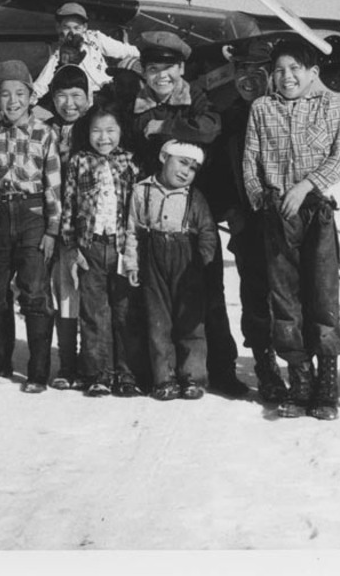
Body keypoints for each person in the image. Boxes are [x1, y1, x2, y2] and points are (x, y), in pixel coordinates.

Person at [128, 30, 245, 397]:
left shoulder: (195, 97)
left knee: (208, 291)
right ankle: (155, 372)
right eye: (152, 69)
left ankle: (220, 370)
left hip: (196, 209)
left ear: (181, 68)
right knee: (154, 300)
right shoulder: (135, 103)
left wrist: (165, 127)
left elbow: (209, 128)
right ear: (143, 72)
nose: (161, 76)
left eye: (168, 68)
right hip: (153, 210)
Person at [243, 35, 340, 420]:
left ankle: (326, 386)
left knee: (321, 297)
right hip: (277, 218)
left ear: (313, 73)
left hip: (316, 213)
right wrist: (265, 203)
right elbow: (250, 164)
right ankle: (300, 382)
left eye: (295, 69)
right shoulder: (261, 109)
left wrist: (306, 186)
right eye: (279, 70)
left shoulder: (328, 106)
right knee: (285, 302)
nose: (286, 77)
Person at [209, 38, 289, 404]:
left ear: (271, 74)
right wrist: (234, 215)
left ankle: (301, 368)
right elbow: (219, 176)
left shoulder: (291, 113)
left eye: (255, 71)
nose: (246, 79)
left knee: (294, 296)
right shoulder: (229, 119)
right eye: (240, 71)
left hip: (289, 223)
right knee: (256, 298)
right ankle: (266, 366)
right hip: (250, 225)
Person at [0, 60, 63, 393]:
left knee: (35, 293)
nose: (12, 101)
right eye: (4, 95)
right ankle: (0, 361)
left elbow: (53, 184)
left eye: (19, 94)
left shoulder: (46, 133)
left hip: (33, 215)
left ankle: (38, 370)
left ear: (31, 96)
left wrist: (52, 229)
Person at [61, 103, 142, 397]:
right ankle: (98, 373)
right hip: (90, 246)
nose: (103, 137)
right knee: (94, 313)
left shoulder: (130, 162)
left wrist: (136, 250)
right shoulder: (79, 161)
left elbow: (137, 208)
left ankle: (127, 373)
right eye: (97, 131)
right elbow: (68, 206)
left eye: (110, 130)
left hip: (121, 247)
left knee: (125, 312)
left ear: (121, 131)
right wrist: (72, 247)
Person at [132, 140, 219, 400]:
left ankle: (193, 376)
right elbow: (132, 229)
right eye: (182, 162)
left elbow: (207, 232)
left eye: (192, 168)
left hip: (186, 260)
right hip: (152, 256)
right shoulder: (142, 190)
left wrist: (202, 261)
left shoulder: (195, 197)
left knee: (189, 320)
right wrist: (131, 263)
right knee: (158, 321)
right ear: (163, 156)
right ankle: (164, 377)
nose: (185, 172)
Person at [44, 64, 92, 389]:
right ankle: (67, 364)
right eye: (61, 96)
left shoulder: (98, 128)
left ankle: (95, 362)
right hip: (58, 223)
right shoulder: (45, 130)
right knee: (65, 293)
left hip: (93, 223)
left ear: (89, 97)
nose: (69, 103)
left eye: (76, 95)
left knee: (96, 295)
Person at [31, 2, 140, 103]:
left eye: (77, 28)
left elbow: (129, 51)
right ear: (59, 28)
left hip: (111, 92)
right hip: (87, 101)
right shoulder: (58, 56)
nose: (72, 32)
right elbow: (40, 86)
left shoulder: (95, 37)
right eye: (66, 27)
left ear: (84, 28)